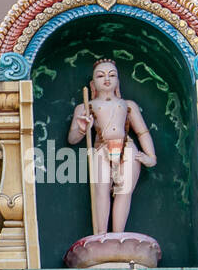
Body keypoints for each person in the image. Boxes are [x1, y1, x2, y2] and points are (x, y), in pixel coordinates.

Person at [67, 59, 156, 235]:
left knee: (124, 191)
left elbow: (142, 132)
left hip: (127, 148)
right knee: (101, 190)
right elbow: (72, 139)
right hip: (101, 148)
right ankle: (101, 235)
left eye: (112, 75)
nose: (106, 79)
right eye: (101, 75)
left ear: (118, 81)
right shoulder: (85, 107)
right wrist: (83, 128)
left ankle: (117, 235)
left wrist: (150, 156)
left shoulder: (127, 105)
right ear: (93, 83)